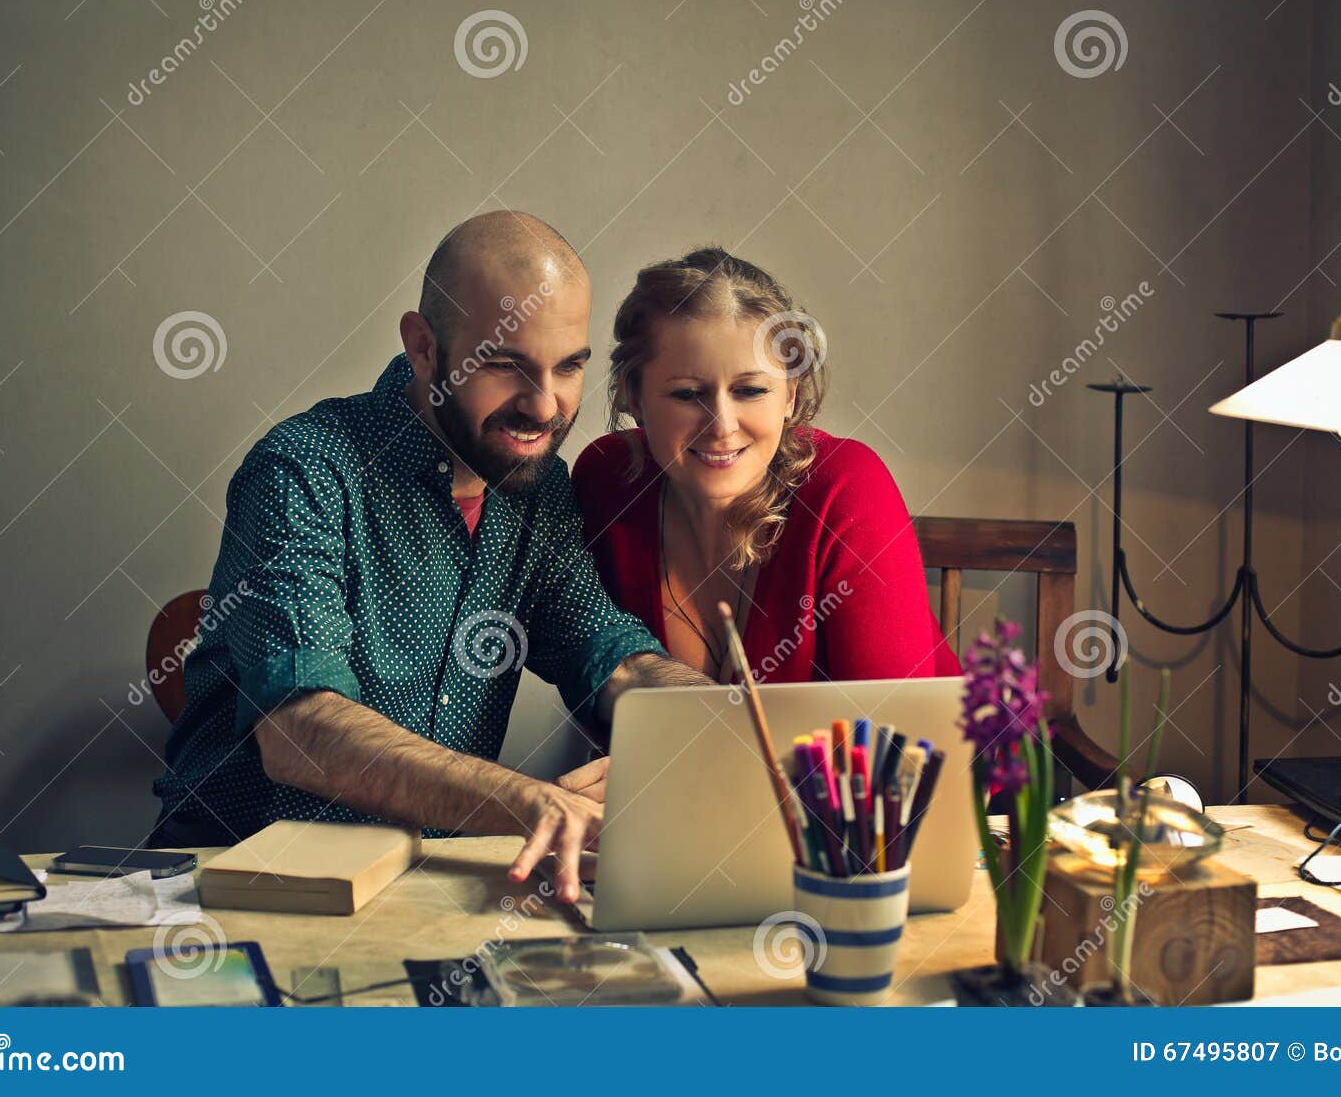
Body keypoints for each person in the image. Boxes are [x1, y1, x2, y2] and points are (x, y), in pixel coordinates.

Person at [153, 212, 705, 903]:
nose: (545, 406)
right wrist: (531, 802)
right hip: (233, 889)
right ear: (422, 346)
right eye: (505, 364)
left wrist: (706, 723)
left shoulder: (539, 492)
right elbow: (300, 730)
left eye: (568, 366)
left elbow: (607, 653)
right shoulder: (303, 470)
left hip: (425, 889)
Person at [572, 247, 958, 690]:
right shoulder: (606, 479)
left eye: (750, 390)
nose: (721, 426)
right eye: (687, 394)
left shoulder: (847, 487)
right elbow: (597, 686)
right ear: (634, 396)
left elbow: (889, 726)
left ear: (790, 395)